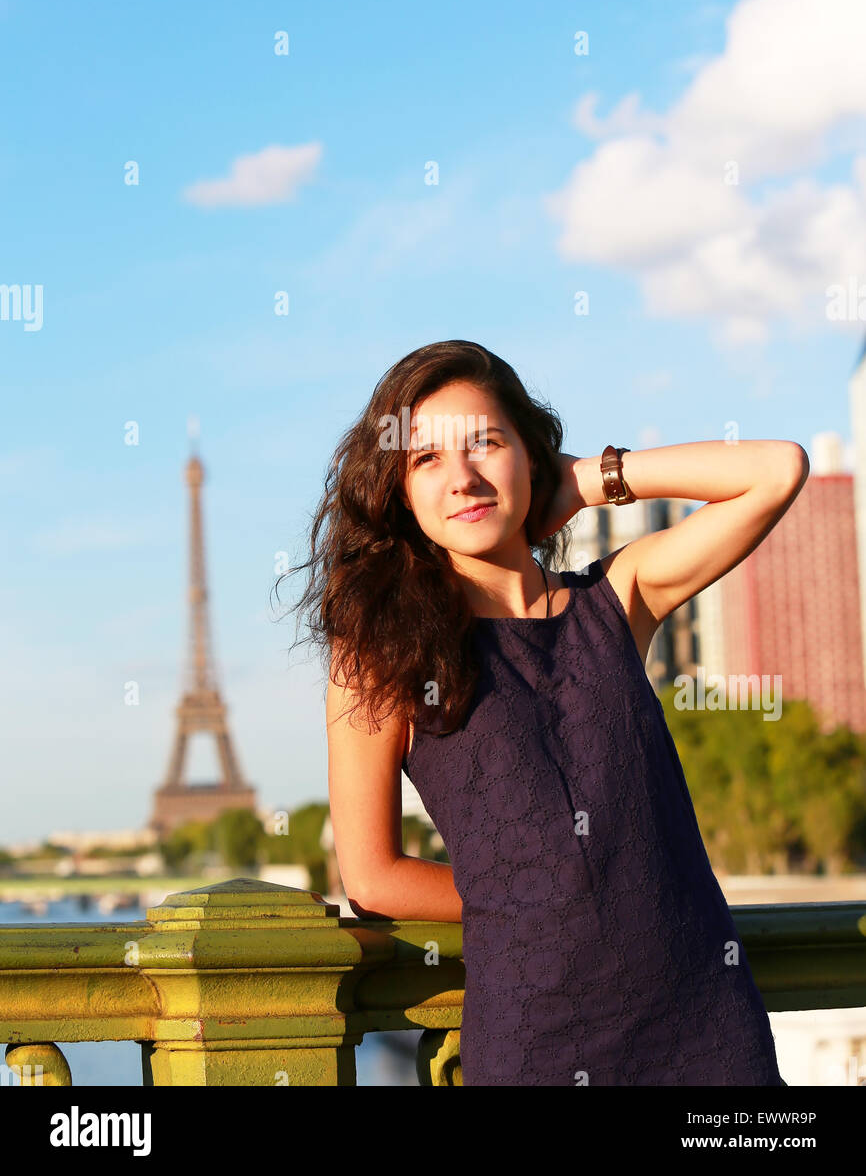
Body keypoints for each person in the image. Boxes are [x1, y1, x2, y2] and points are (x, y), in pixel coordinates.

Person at [281, 339, 808, 1086]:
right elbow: (371, 875)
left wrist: (592, 479)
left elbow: (777, 471)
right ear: (399, 490)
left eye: (486, 445)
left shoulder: (618, 599)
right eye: (426, 459)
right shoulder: (378, 654)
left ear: (532, 456)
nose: (462, 478)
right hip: (541, 1041)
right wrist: (531, 883)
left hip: (708, 1030)